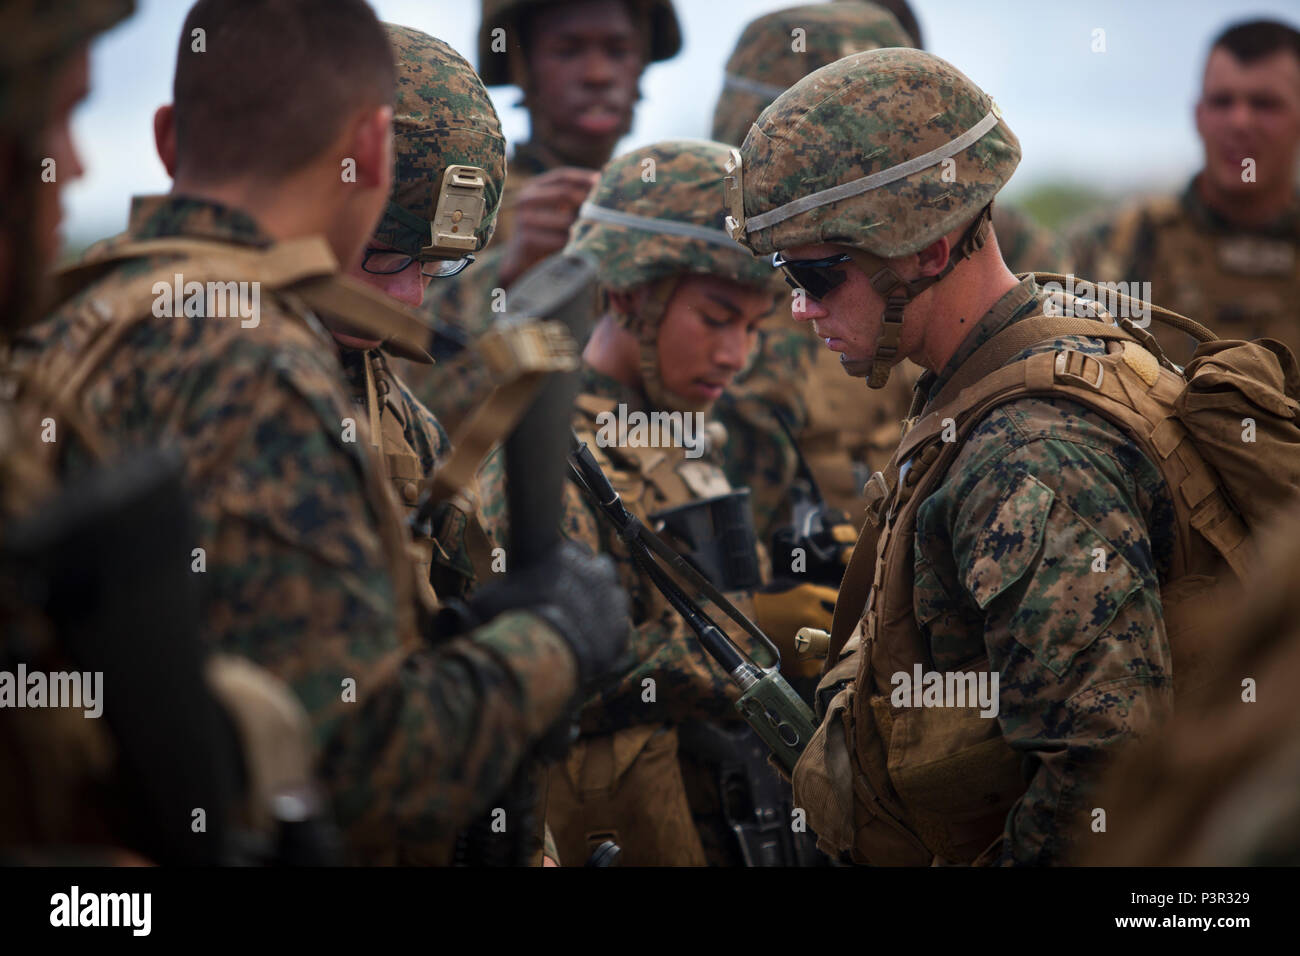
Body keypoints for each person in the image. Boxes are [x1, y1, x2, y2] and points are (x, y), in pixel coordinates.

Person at [7, 0, 627, 866]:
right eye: (384, 254)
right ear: (369, 153)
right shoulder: (247, 357)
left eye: (438, 266)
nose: (408, 299)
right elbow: (355, 777)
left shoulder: (79, 321)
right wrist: (553, 641)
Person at [726, 46, 1248, 865]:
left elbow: (1099, 776)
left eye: (817, 273)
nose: (797, 307)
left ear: (929, 250)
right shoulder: (1032, 350)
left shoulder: (1030, 455)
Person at [478, 140, 814, 865]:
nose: (736, 355)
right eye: (717, 318)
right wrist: (731, 655)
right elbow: (536, 674)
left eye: (754, 328)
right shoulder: (547, 452)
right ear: (630, 295)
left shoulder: (681, 431)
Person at [413, 0, 681, 434]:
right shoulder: (457, 203)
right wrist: (508, 272)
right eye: (567, 50)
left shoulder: (672, 211)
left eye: (617, 50)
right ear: (524, 67)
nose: (597, 74)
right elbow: (409, 394)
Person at [1069, 19, 1300, 365]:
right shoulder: (1116, 246)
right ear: (1199, 115)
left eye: (1264, 104)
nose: (1239, 122)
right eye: (1222, 102)